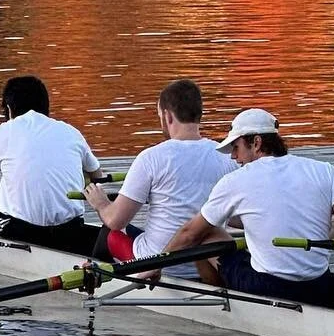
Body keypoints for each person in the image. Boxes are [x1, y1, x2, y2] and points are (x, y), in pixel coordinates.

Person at [165, 108, 334, 310]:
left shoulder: (235, 180)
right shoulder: (324, 170)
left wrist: (155, 266)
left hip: (267, 287)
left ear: (256, 143)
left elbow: (189, 234)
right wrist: (316, 242)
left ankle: (221, 306)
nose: (234, 157)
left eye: (236, 147)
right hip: (319, 284)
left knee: (205, 233)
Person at [81, 78, 236, 274]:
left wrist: (100, 203)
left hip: (158, 266)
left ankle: (96, 284)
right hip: (208, 265)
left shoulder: (151, 158)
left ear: (167, 116)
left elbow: (115, 220)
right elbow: (233, 219)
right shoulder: (227, 157)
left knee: (109, 232)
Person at [0, 75, 103, 254]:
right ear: (46, 107)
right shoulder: (71, 132)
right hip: (72, 231)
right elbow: (98, 177)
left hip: (20, 233)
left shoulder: (2, 132)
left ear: (9, 109)